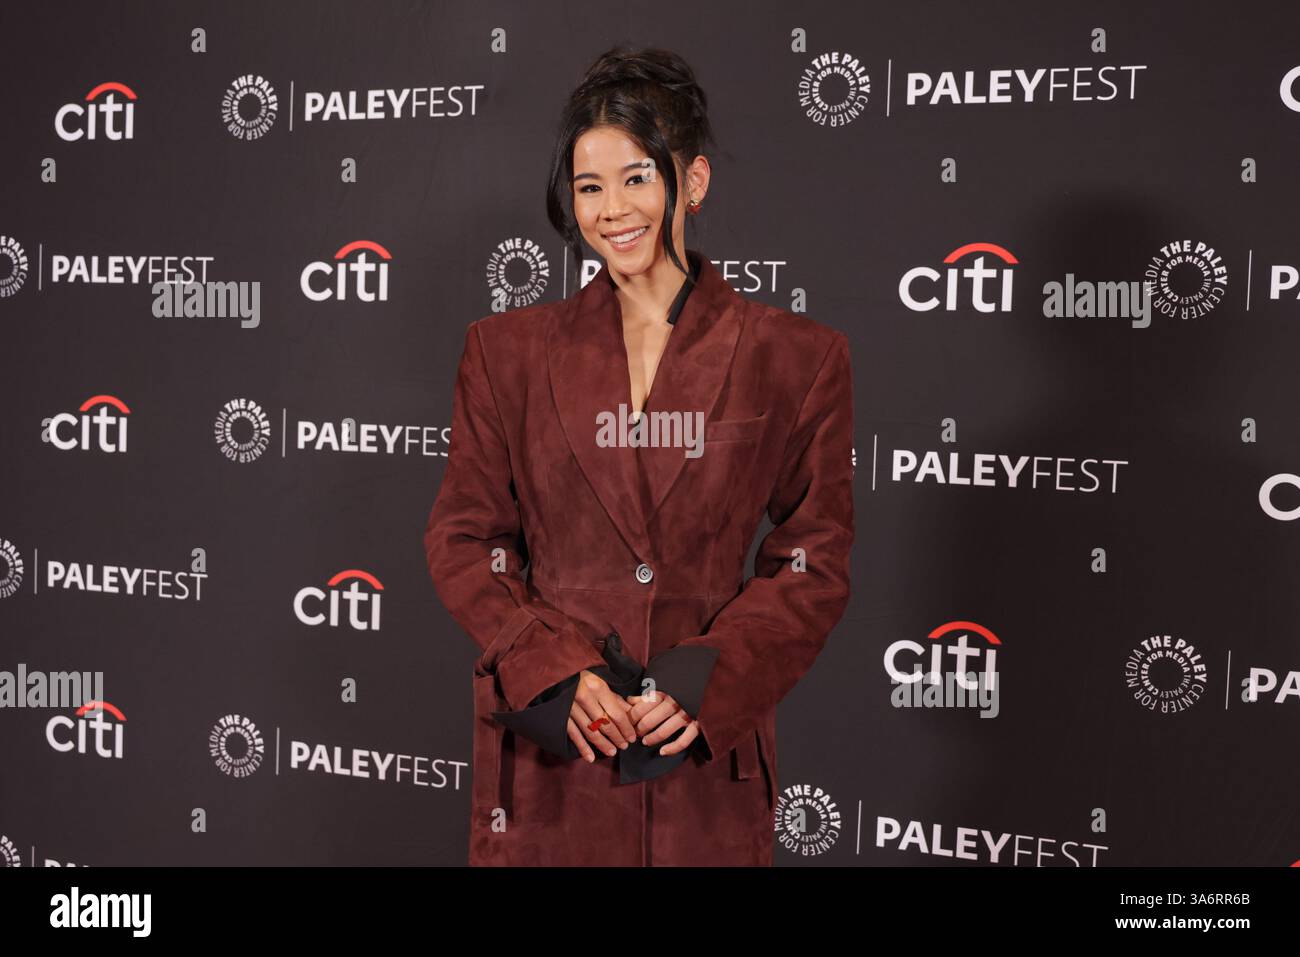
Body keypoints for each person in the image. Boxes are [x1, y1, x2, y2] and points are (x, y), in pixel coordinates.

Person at [423, 46, 854, 866]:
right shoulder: (502, 352)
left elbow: (814, 555)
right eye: (589, 186)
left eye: (636, 178)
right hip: (556, 759)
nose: (611, 210)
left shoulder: (797, 357)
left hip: (701, 762)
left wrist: (705, 679)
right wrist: (551, 668)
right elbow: (464, 539)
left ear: (691, 181)